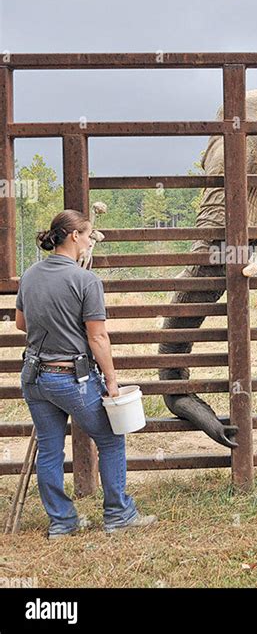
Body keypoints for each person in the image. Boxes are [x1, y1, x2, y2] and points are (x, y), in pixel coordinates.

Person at [16, 209, 157, 539]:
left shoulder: (31, 275)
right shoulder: (86, 281)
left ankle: (62, 522)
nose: (91, 241)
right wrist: (111, 380)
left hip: (34, 378)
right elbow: (97, 337)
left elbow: (21, 323)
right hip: (71, 379)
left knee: (50, 450)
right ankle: (119, 515)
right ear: (74, 236)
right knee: (110, 440)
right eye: (89, 235)